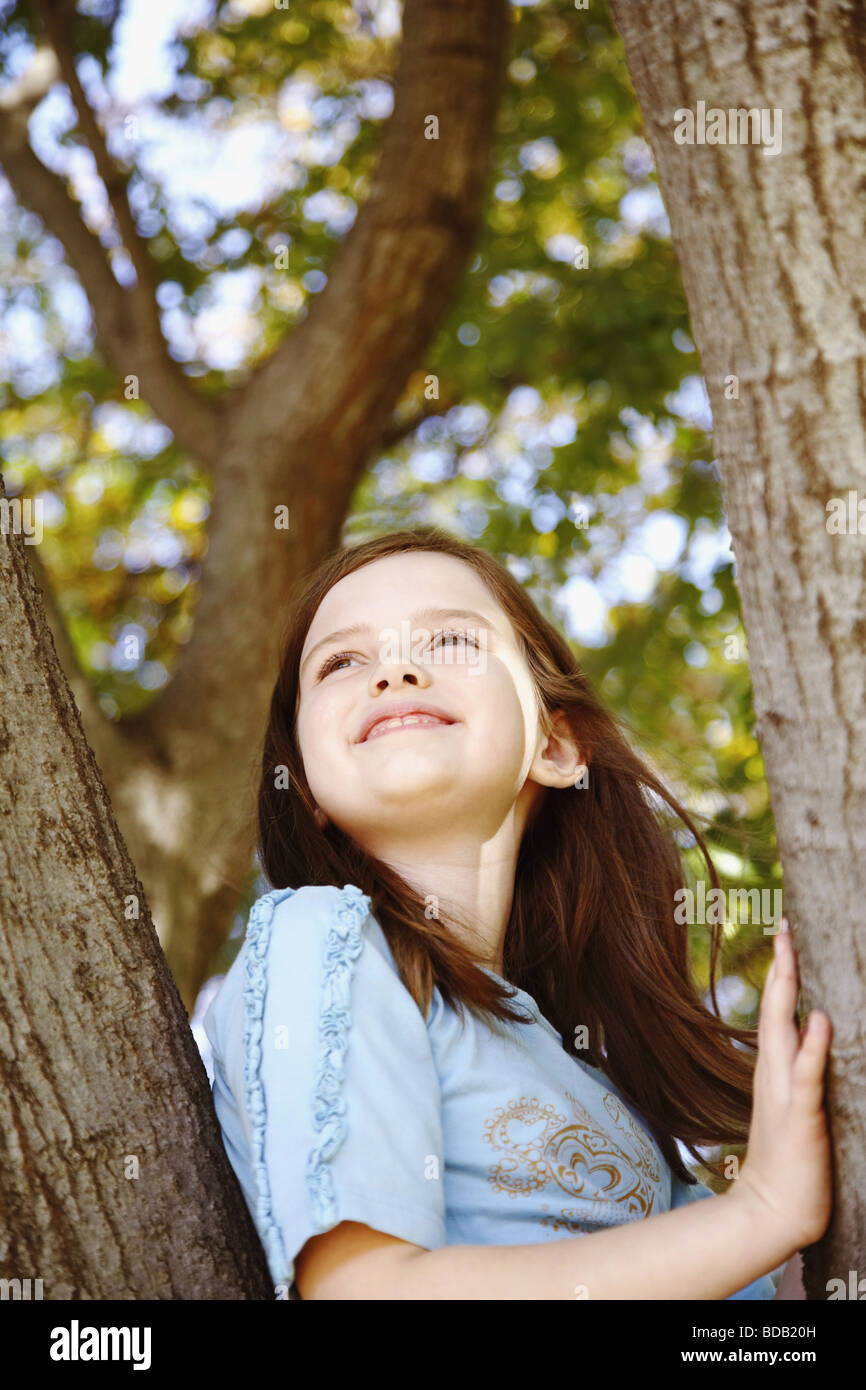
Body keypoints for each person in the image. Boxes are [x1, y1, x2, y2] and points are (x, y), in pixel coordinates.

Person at [204, 527, 832, 1300]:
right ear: (303, 788)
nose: (396, 671)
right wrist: (761, 1214)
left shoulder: (593, 1077)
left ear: (558, 745)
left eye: (450, 640)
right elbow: (362, 1292)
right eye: (341, 662)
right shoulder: (318, 939)